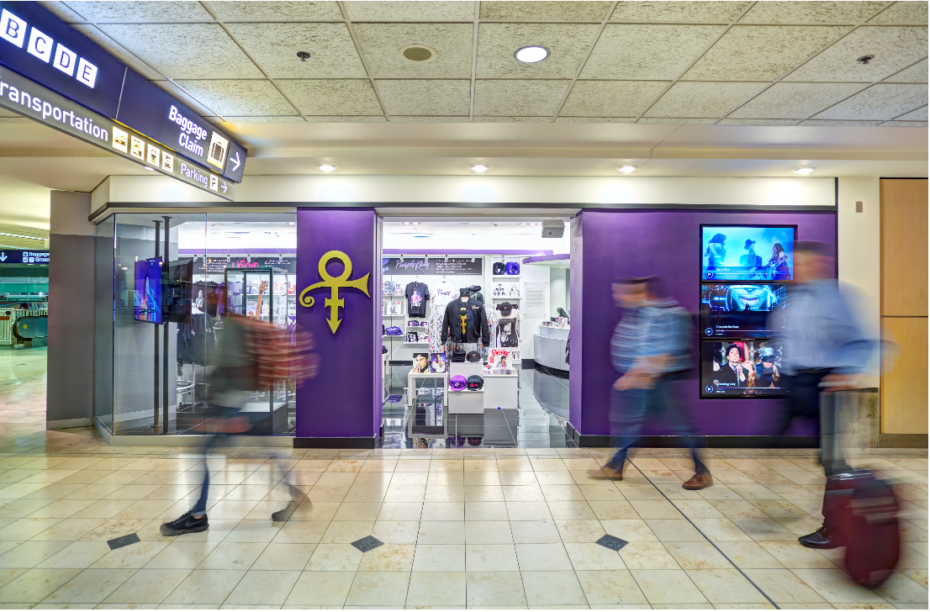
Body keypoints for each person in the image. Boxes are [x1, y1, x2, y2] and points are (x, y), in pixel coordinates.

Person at [767, 240, 872, 549]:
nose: (801, 271)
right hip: (799, 382)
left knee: (833, 461)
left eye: (808, 265)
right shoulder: (793, 299)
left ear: (822, 265)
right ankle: (851, 508)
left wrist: (847, 371)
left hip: (830, 385)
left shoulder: (838, 298)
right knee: (818, 454)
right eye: (797, 266)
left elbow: (867, 342)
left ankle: (838, 527)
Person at [602, 277, 711, 489]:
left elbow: (665, 353)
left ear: (646, 293)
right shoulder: (646, 314)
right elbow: (644, 348)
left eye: (625, 293)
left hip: (665, 382)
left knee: (683, 427)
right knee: (631, 423)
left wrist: (640, 376)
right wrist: (635, 373)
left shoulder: (670, 315)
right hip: (647, 380)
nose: (620, 298)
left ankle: (702, 473)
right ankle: (615, 466)